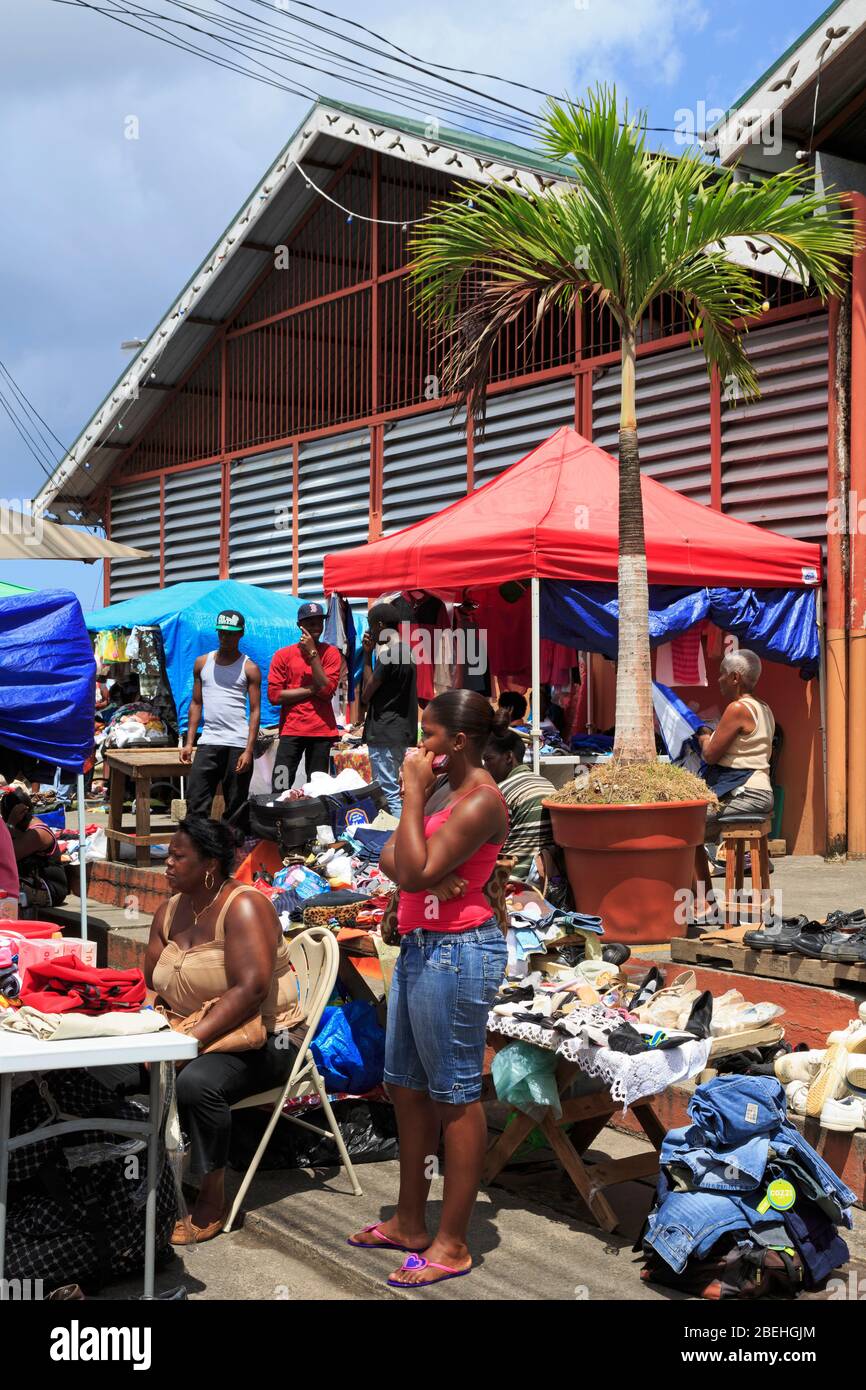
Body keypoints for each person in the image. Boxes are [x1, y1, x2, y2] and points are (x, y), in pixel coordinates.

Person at [348, 689, 509, 1289]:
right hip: (421, 946)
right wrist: (419, 871)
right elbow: (394, 856)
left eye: (430, 736)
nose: (419, 747)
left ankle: (452, 1242)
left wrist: (412, 797)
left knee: (456, 1096)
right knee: (406, 1088)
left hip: (460, 954)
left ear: (460, 742)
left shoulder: (481, 800)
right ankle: (410, 1221)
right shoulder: (445, 790)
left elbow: (411, 865)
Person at [144, 816, 303, 1244]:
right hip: (189, 1030)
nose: (168, 864)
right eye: (168, 855)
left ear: (210, 864)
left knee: (198, 1083)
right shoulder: (171, 909)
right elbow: (151, 983)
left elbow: (250, 990)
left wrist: (187, 1044)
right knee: (115, 1069)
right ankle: (136, 1179)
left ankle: (212, 1198)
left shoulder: (246, 906)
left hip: (266, 1038)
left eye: (179, 857)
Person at [694, 649, 776, 897]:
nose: (718, 679)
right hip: (759, 791)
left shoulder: (737, 708)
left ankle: (703, 901)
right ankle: (704, 898)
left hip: (746, 793)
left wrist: (704, 737)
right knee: (692, 827)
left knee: (684, 826)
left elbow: (710, 755)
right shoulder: (764, 708)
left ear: (735, 678)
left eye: (722, 674)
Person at [180, 611, 262, 823]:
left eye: (231, 634)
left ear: (241, 634)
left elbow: (254, 711)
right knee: (196, 804)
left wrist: (248, 750)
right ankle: (197, 851)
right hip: (209, 742)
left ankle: (232, 853)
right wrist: (189, 743)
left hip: (237, 745)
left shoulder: (250, 668)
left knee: (236, 809)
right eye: (222, 633)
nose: (226, 638)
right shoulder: (202, 663)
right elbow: (196, 703)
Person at [267, 601, 341, 792]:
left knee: (317, 787)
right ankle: (277, 817)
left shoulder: (331, 653)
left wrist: (313, 654)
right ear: (299, 626)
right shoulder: (282, 655)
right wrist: (311, 689)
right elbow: (274, 696)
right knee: (280, 782)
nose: (316, 627)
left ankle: (313, 821)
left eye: (319, 622)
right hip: (292, 731)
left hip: (321, 732)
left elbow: (326, 691)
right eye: (310, 623)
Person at [482, 710, 558, 881]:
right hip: (547, 880)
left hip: (511, 883)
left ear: (509, 757)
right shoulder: (546, 783)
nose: (485, 767)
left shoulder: (500, 793)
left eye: (488, 760)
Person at [361, 602, 418, 818]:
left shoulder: (389, 655)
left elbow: (367, 694)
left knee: (387, 793)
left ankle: (396, 840)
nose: (370, 631)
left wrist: (366, 656)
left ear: (380, 625)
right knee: (392, 788)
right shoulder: (408, 652)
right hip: (400, 731)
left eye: (371, 625)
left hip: (385, 731)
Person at [0, 789, 67, 909]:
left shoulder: (38, 833)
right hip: (28, 882)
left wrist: (10, 823)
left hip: (49, 889)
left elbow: (7, 855)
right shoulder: (19, 828)